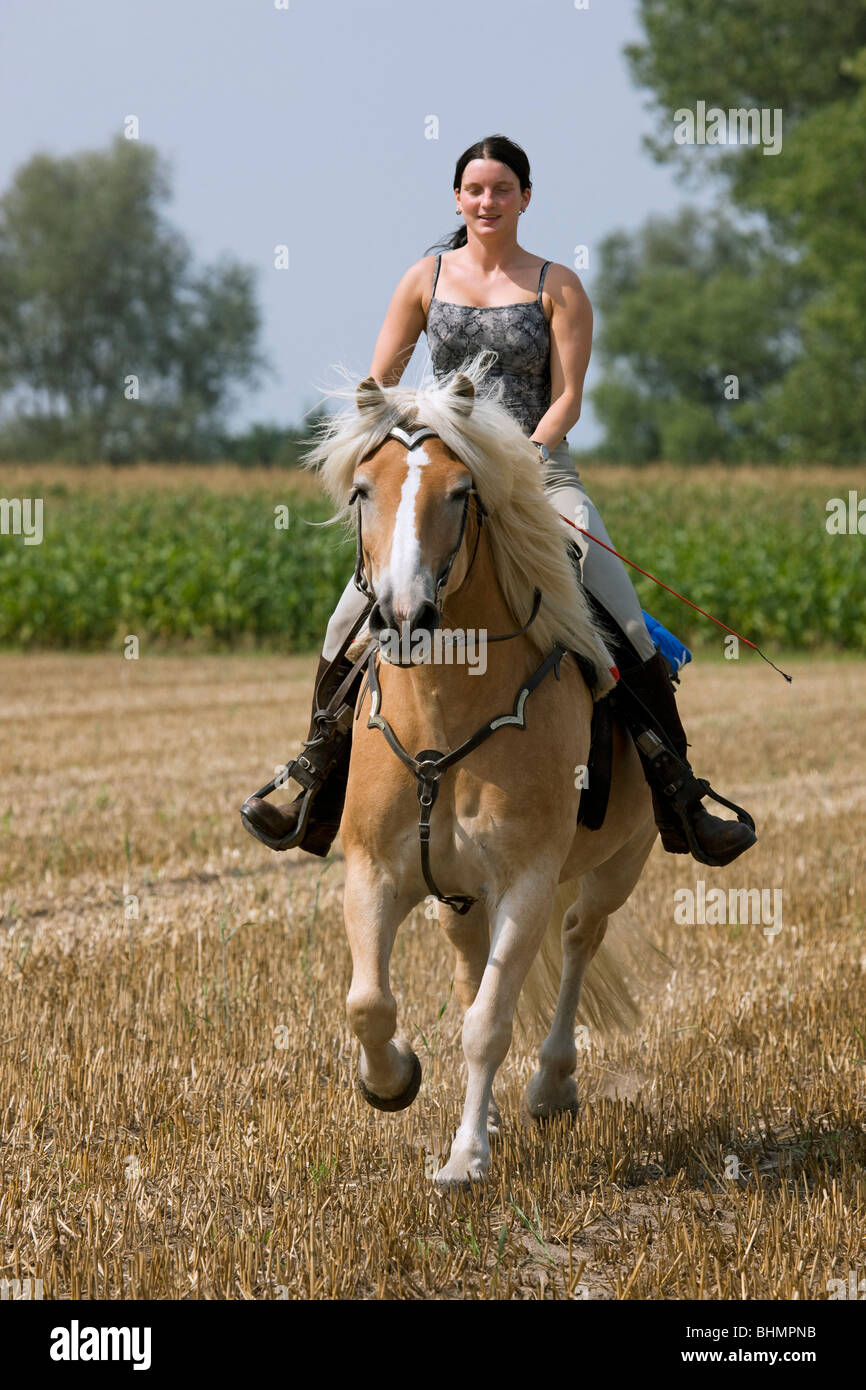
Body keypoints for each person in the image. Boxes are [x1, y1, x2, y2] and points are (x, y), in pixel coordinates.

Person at [241, 134, 755, 868]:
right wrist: (386, 442)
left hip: (541, 479)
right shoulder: (425, 278)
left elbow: (569, 396)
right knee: (346, 620)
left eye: (502, 189)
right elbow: (381, 384)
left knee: (620, 619)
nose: (487, 201)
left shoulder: (557, 284)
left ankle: (682, 795)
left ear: (525, 198)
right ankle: (312, 778)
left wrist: (526, 456)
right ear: (459, 199)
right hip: (445, 485)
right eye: (475, 190)